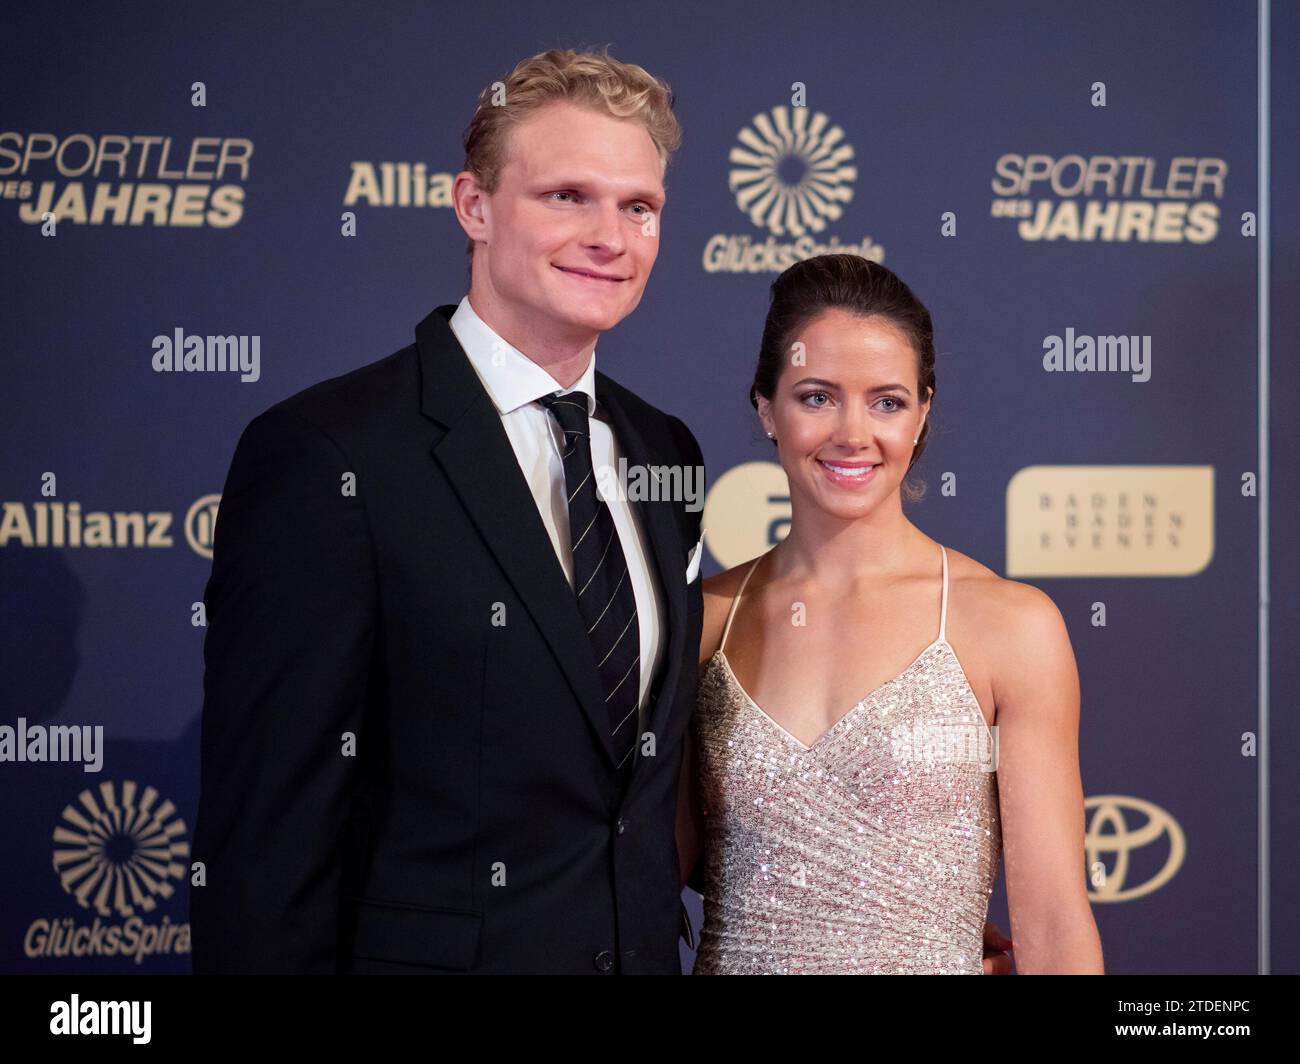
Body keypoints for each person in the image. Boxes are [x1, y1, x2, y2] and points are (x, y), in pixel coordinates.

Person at [190, 47, 707, 974]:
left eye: (639, 208)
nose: (610, 237)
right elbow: (266, 843)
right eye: (566, 197)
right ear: (473, 206)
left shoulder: (665, 451)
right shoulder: (328, 454)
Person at [676, 254, 1103, 974]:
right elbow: (644, 874)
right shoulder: (701, 620)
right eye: (816, 397)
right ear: (766, 408)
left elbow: (1056, 924)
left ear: (923, 412)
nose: (853, 433)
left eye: (887, 401)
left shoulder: (1007, 626)